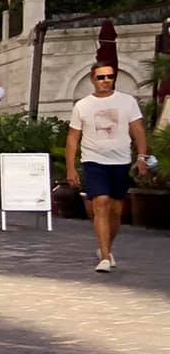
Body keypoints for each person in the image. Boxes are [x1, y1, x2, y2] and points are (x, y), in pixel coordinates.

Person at [66, 61, 151, 272]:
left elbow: (138, 130)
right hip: (93, 161)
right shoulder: (83, 105)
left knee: (116, 210)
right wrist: (71, 167)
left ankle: (106, 248)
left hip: (120, 161)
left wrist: (142, 157)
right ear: (92, 79)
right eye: (101, 77)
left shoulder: (127, 101)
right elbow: (72, 138)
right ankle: (104, 256)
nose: (106, 81)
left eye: (110, 76)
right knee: (101, 202)